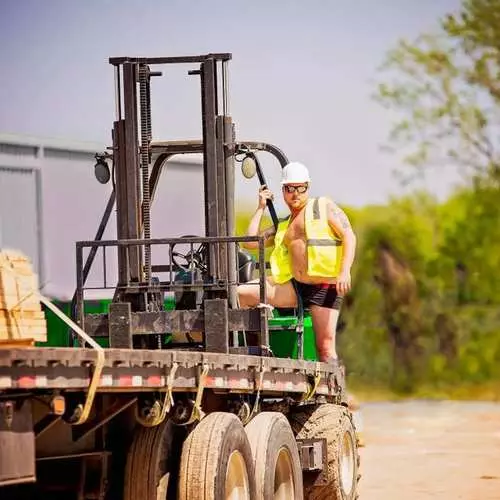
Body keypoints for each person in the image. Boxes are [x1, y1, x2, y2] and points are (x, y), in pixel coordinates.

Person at [237, 162, 357, 365]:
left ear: (307, 187)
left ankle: (338, 393)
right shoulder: (284, 224)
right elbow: (249, 242)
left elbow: (349, 236)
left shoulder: (323, 207)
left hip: (324, 286)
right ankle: (256, 356)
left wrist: (345, 271)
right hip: (295, 286)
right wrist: (260, 208)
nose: (295, 194)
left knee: (325, 348)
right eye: (289, 189)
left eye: (300, 188)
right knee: (241, 294)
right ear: (283, 190)